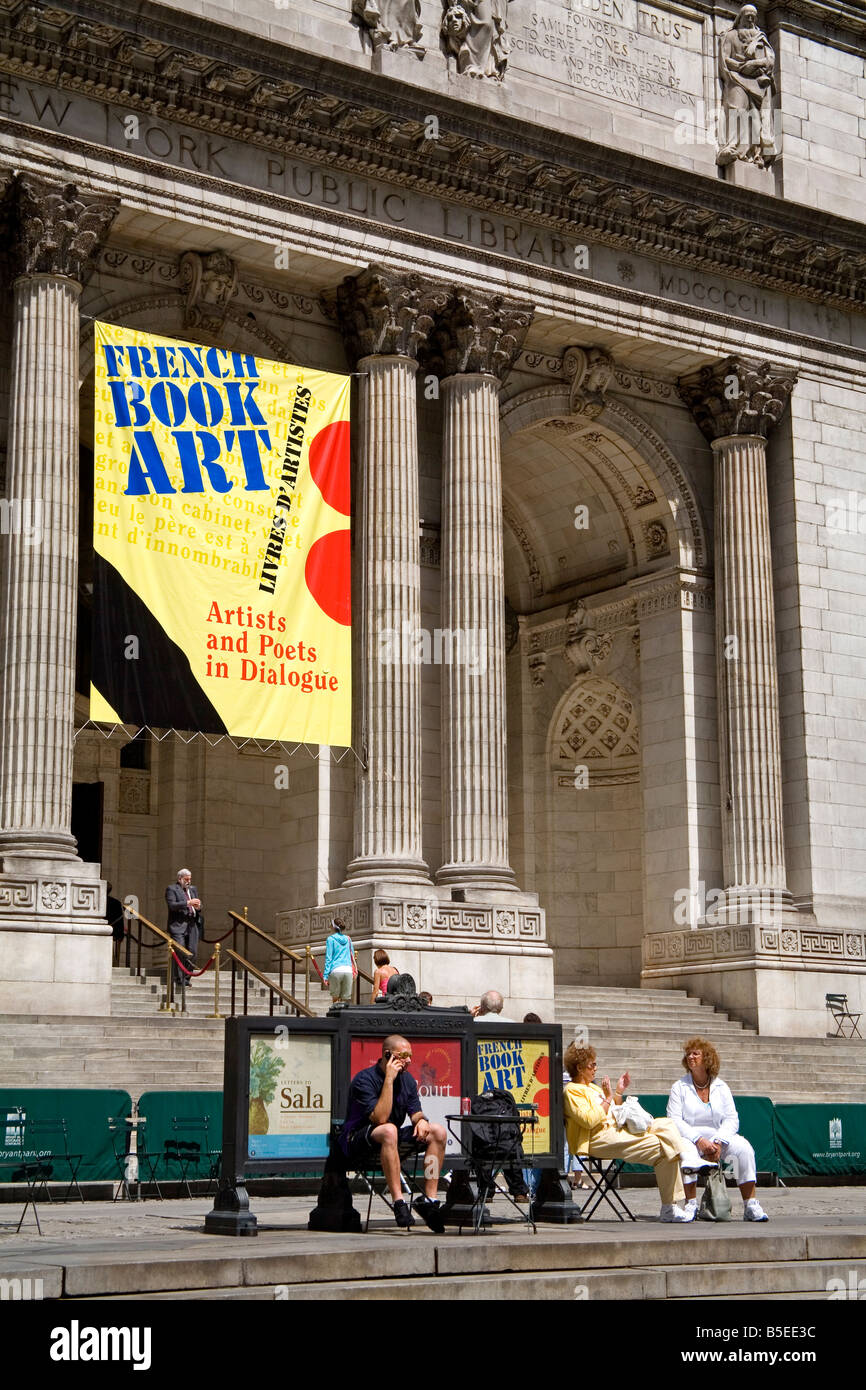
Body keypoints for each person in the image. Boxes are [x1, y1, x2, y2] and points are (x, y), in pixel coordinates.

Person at [563, 1043, 693, 1222]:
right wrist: (608, 1097)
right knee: (664, 1147)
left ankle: (684, 1162)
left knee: (666, 1125)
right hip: (596, 1138)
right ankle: (670, 1204)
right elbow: (588, 1120)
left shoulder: (593, 1088)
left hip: (617, 1128)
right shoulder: (571, 1091)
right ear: (579, 1067)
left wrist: (617, 1092)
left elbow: (613, 1110)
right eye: (592, 1065)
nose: (595, 1068)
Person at [340, 1035, 447, 1232]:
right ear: (387, 1055)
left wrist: (421, 1121)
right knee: (389, 1129)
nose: (409, 1060)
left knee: (437, 1132)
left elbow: (415, 1111)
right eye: (403, 1055)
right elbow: (380, 1118)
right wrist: (389, 1079)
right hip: (357, 1140)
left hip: (391, 1137)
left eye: (410, 1055)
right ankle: (399, 1202)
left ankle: (430, 1199)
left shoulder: (407, 1080)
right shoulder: (364, 1080)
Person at [667, 1038, 769, 1222]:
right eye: (688, 1054)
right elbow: (674, 1119)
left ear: (706, 1058)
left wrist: (719, 1141)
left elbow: (732, 1118)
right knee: (685, 1151)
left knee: (744, 1148)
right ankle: (691, 1205)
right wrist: (699, 1140)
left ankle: (750, 1205)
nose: (691, 1057)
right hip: (691, 1138)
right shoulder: (678, 1087)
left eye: (695, 1054)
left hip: (718, 1137)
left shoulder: (722, 1087)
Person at [165, 868, 201, 990]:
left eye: (190, 879)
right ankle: (179, 979)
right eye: (186, 879)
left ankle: (186, 978)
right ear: (180, 878)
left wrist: (198, 906)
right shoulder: (172, 889)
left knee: (193, 952)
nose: (189, 881)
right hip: (178, 925)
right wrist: (188, 903)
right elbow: (172, 905)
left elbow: (198, 906)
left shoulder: (193, 889)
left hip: (192, 924)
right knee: (180, 952)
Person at [323, 916, 356, 1005]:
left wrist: (325, 976)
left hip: (336, 970)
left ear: (333, 927)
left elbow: (328, 958)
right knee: (345, 1000)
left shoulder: (330, 939)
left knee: (335, 999)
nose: (330, 926)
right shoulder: (348, 939)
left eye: (331, 925)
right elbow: (352, 955)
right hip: (348, 970)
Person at [106, 883, 125, 966]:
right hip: (111, 934)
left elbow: (119, 919)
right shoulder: (116, 903)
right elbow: (120, 922)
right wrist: (120, 935)